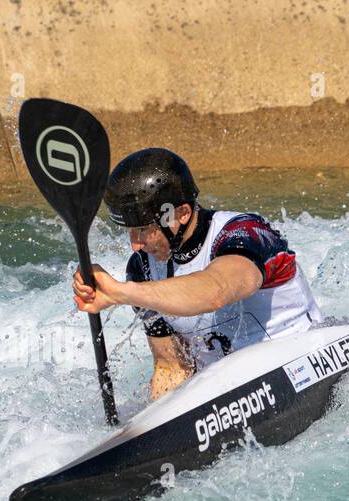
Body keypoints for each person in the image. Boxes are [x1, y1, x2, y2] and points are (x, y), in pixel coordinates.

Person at [72, 148, 323, 400]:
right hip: (225, 391)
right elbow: (173, 368)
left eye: (144, 229)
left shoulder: (244, 232)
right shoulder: (142, 269)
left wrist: (121, 292)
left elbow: (216, 291)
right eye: (130, 231)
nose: (135, 245)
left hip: (300, 361)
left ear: (181, 213)